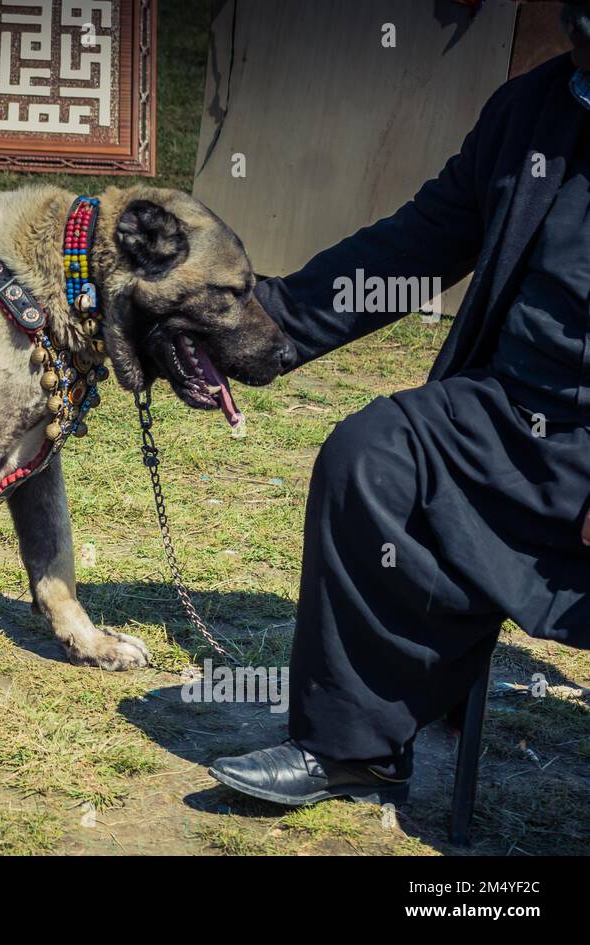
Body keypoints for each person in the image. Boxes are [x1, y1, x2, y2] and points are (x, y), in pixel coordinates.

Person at [209, 0, 590, 807]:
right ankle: (357, 745)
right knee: (374, 453)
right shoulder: (535, 108)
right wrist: (262, 324)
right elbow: (418, 244)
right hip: (510, 413)